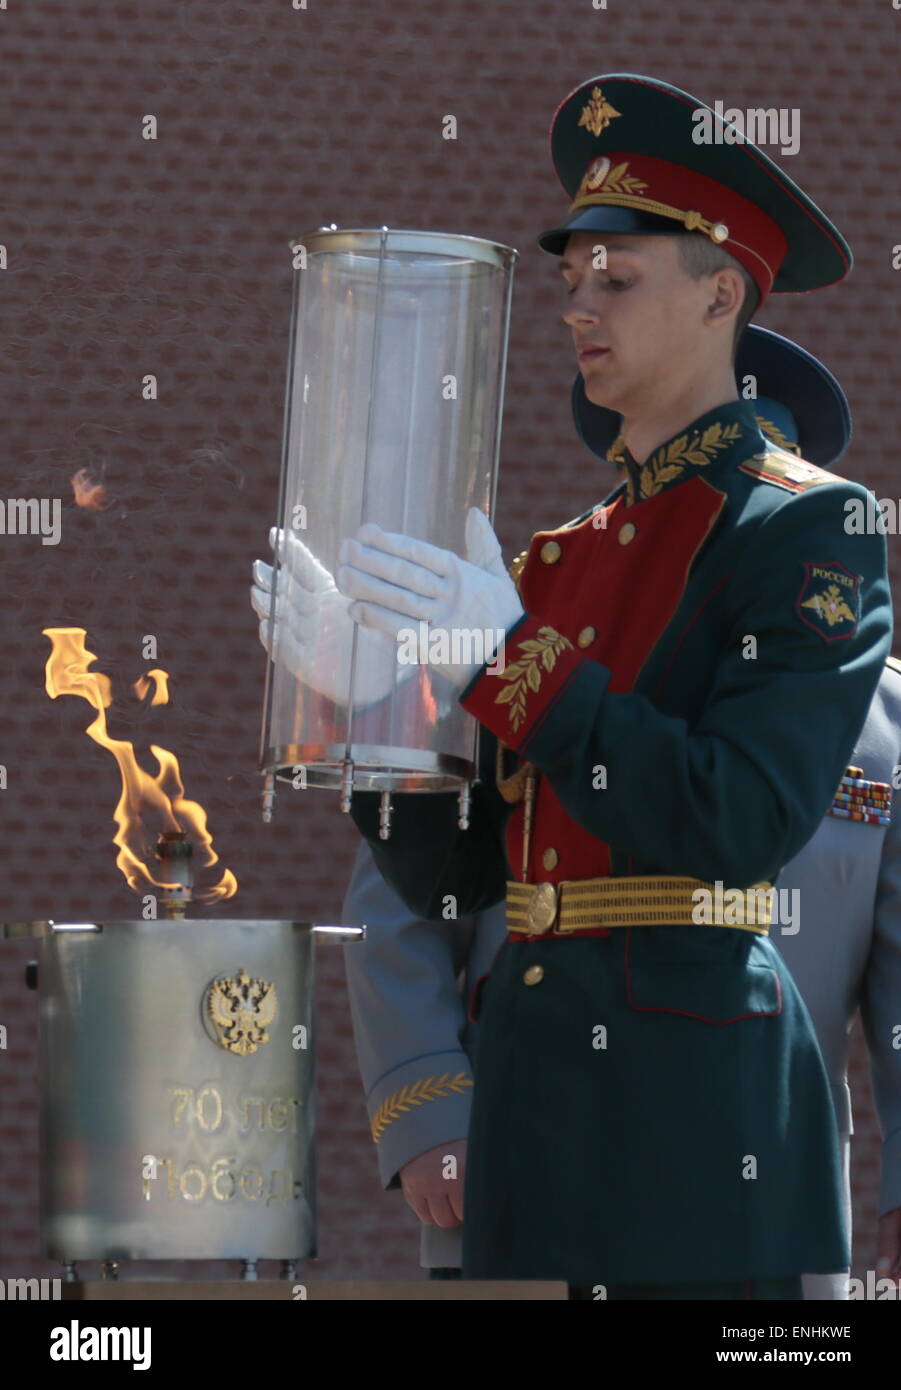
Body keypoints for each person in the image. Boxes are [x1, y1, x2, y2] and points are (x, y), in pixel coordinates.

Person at [265, 74, 894, 1297]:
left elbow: (739, 816)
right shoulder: (555, 557)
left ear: (722, 295)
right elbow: (467, 873)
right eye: (570, 283)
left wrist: (507, 660)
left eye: (619, 278)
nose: (579, 308)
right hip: (539, 1084)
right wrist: (374, 715)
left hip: (703, 1095)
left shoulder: (806, 529)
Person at [340, 324, 901, 1294]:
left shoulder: (883, 714)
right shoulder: (553, 646)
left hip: (762, 1151)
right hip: (534, 1128)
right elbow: (413, 890)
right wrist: (429, 1104)